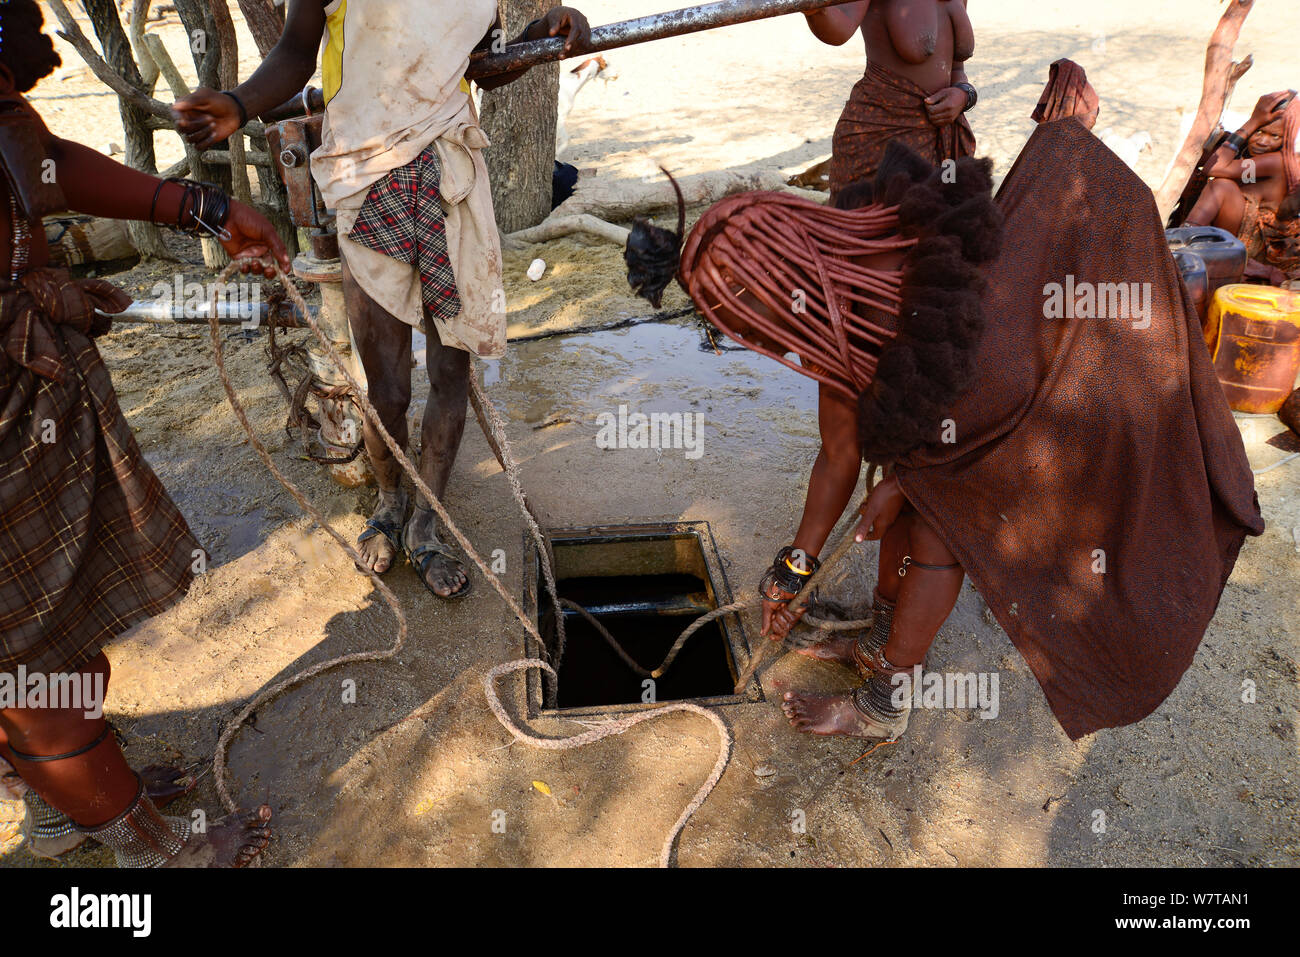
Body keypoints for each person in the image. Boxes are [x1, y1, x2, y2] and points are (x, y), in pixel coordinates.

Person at [677, 110, 1263, 742]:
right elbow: (840, 453)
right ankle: (881, 636)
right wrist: (793, 567)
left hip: (1055, 381)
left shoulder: (902, 274)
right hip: (988, 391)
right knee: (909, 480)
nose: (737, 335)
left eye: (734, 312)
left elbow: (990, 401)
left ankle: (885, 699)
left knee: (939, 515)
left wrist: (905, 485)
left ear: (778, 273)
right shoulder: (831, 310)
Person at [172, 2, 591, 600]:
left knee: (452, 368)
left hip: (451, 175)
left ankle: (428, 522)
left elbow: (477, 64)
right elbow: (296, 50)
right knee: (387, 388)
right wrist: (240, 105)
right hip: (365, 177)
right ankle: (390, 499)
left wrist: (540, 33)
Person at [0, 0, 290, 865]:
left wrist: (198, 207)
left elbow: (37, 163)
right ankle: (149, 848)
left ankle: (65, 797)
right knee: (26, 651)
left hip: (22, 380)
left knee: (53, 632)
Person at [804, 0, 977, 199]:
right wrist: (815, 9)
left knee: (940, 220)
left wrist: (964, 94)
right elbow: (838, 30)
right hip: (879, 137)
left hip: (943, 141)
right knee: (870, 224)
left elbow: (956, 69)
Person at [1187, 92, 1300, 285]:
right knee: (1220, 182)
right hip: (1235, 241)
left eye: (1275, 136)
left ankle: (1184, 239)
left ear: (1287, 137)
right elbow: (1199, 158)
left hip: (1252, 252)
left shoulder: (1277, 162)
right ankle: (1185, 241)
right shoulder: (1252, 158)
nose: (1263, 141)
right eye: (1259, 131)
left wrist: (1253, 122)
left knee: (1221, 186)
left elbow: (1214, 168)